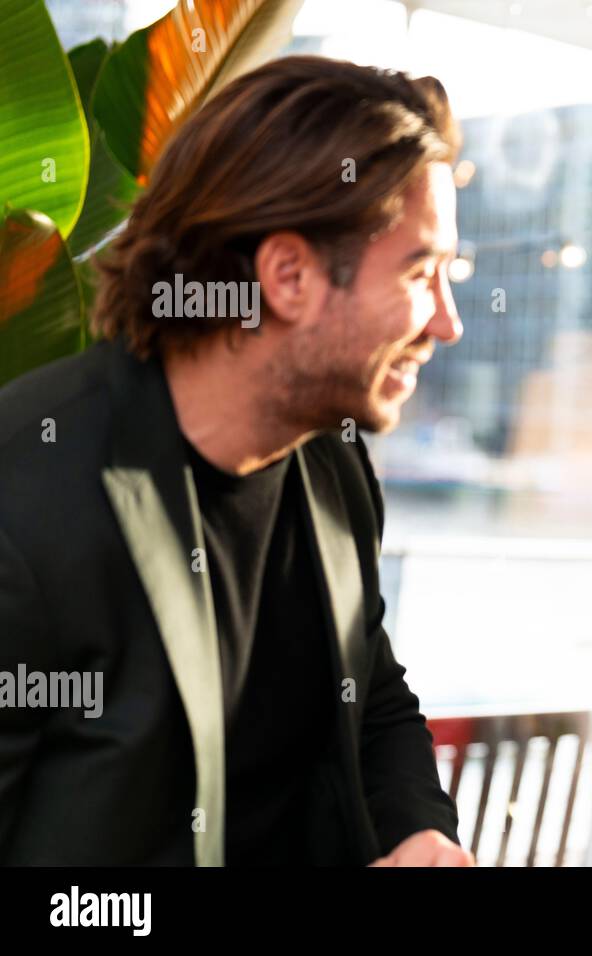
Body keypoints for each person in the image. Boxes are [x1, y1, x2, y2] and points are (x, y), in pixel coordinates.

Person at [0, 56, 472, 866]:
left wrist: (416, 831)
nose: (447, 323)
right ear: (287, 275)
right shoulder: (26, 490)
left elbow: (372, 697)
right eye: (421, 272)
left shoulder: (334, 464)